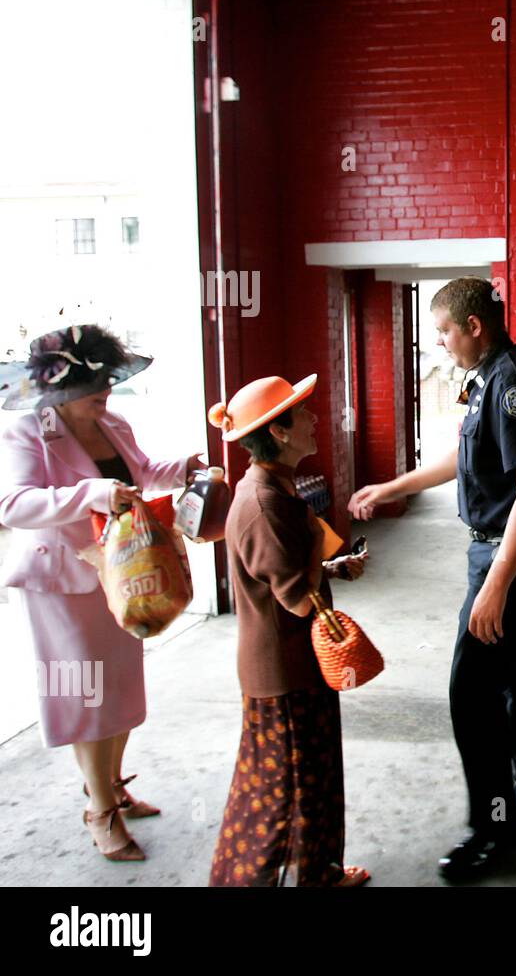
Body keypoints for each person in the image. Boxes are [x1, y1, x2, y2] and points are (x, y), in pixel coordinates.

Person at [348, 276, 516, 880]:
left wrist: (497, 584)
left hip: (515, 555)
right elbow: (470, 456)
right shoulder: (491, 376)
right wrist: (393, 487)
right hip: (511, 550)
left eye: (445, 331)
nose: (441, 342)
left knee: (471, 693)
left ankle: (493, 827)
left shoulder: (512, 383)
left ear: (473, 326)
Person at [0, 324, 203, 862]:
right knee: (85, 697)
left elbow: (142, 474)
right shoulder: (26, 432)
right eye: (94, 385)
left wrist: (184, 468)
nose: (107, 392)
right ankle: (100, 810)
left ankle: (111, 786)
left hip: (121, 577)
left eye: (109, 380)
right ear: (58, 389)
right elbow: (12, 505)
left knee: (120, 691)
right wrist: (89, 494)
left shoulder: (113, 422)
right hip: (61, 584)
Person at [206, 374, 371, 887]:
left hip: (297, 666)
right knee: (283, 793)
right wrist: (318, 554)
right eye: (303, 413)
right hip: (284, 673)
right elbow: (298, 599)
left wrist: (331, 566)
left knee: (311, 782)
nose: (315, 418)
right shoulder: (265, 505)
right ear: (278, 432)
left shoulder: (274, 488)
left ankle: (318, 872)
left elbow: (286, 576)